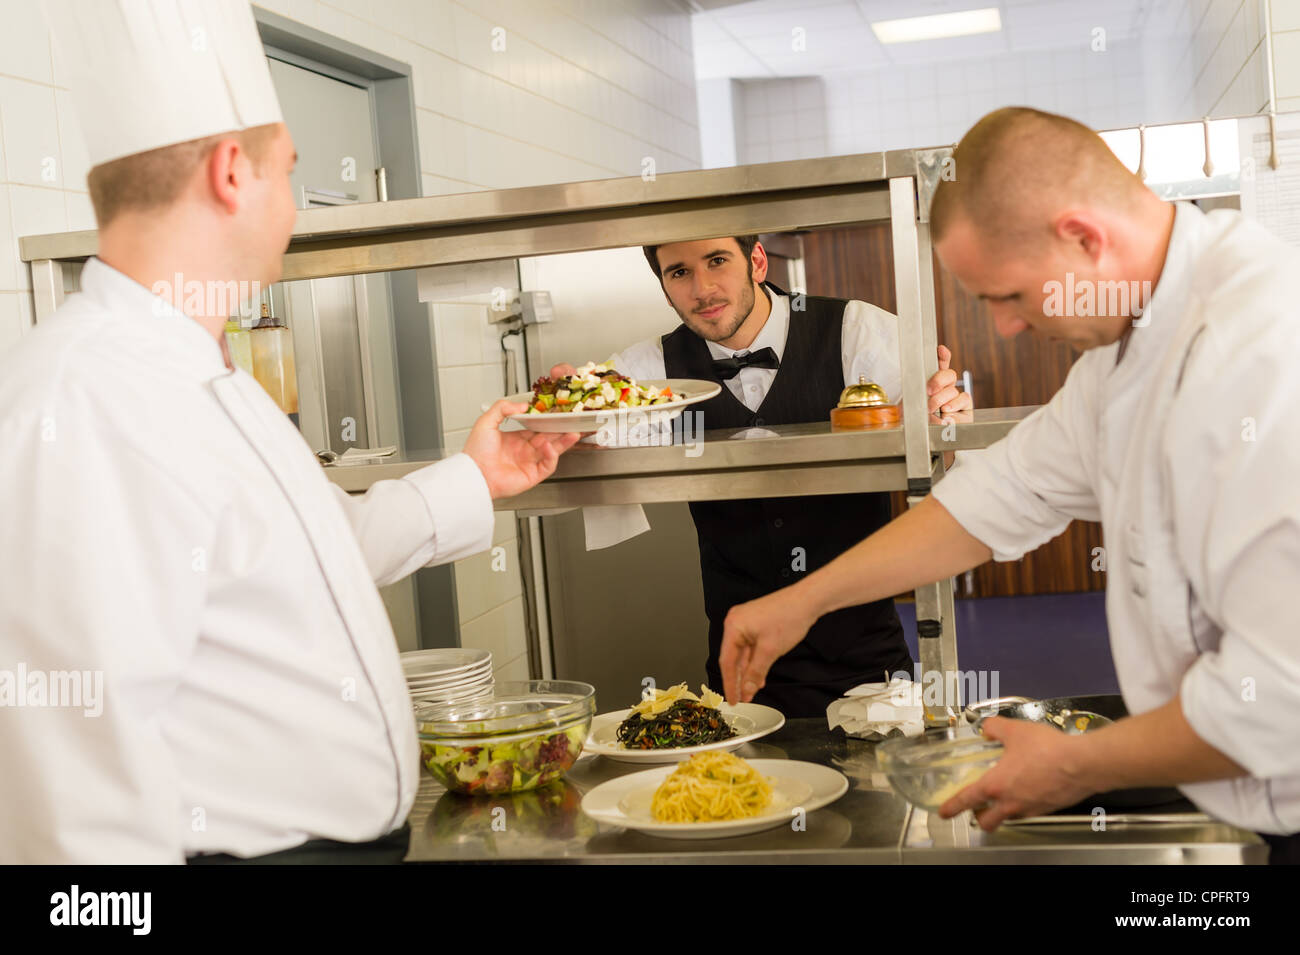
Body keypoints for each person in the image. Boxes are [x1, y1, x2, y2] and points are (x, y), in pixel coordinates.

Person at [0, 0, 578, 864]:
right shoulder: (80, 398)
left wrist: (474, 477)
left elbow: (300, 556)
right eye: (291, 173)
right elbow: (74, 801)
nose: (297, 206)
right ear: (234, 172)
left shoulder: (199, 369)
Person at [718, 107, 1300, 863]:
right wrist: (805, 598)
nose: (1004, 329)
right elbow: (999, 495)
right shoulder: (1127, 349)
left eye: (1009, 295)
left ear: (1084, 237)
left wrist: (1076, 766)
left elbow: (1282, 697)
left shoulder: (1258, 353)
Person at [550, 235, 971, 717]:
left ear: (756, 260)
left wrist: (944, 419)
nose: (703, 288)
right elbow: (582, 455)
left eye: (717, 261)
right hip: (740, 662)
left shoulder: (853, 329)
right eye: (679, 272)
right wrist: (569, 428)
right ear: (664, 286)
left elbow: (941, 448)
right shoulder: (650, 369)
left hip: (867, 659)